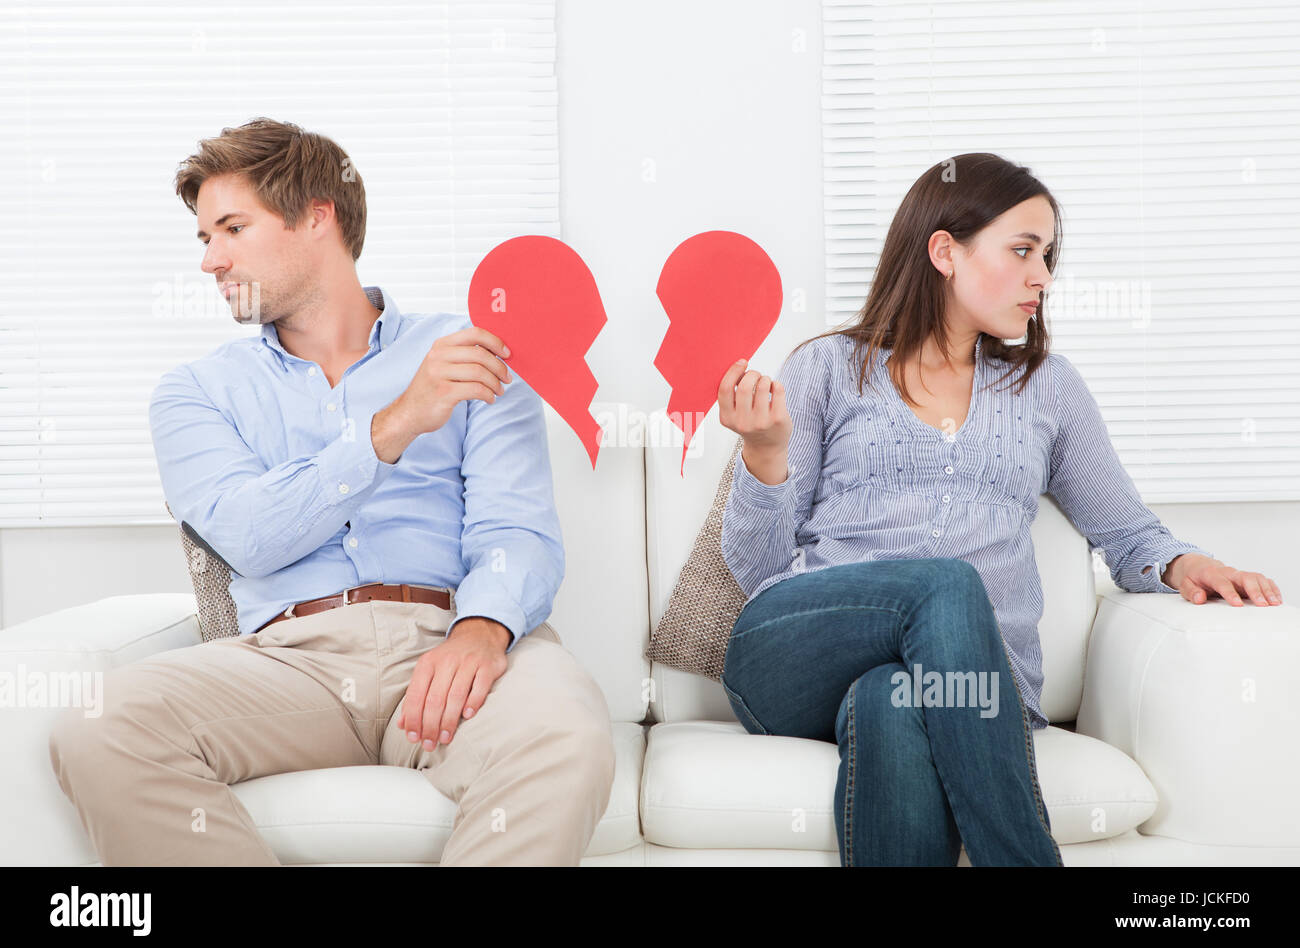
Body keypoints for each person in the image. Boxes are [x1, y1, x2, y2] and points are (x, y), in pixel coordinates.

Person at [47, 117, 615, 866]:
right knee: (99, 723)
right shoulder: (195, 394)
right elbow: (249, 536)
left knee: (566, 732)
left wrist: (485, 628)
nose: (210, 260)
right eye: (203, 238)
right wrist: (394, 426)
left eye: (231, 229)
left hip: (448, 639)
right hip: (288, 663)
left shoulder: (470, 355)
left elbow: (519, 530)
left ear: (318, 217)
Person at [715, 152, 1284, 867]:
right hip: (792, 657)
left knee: (891, 699)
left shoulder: (1047, 389)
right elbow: (762, 569)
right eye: (1022, 251)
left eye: (1047, 256)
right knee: (945, 582)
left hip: (970, 685)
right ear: (945, 252)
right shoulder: (829, 367)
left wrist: (1183, 562)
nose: (1042, 276)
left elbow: (1126, 530)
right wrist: (766, 455)